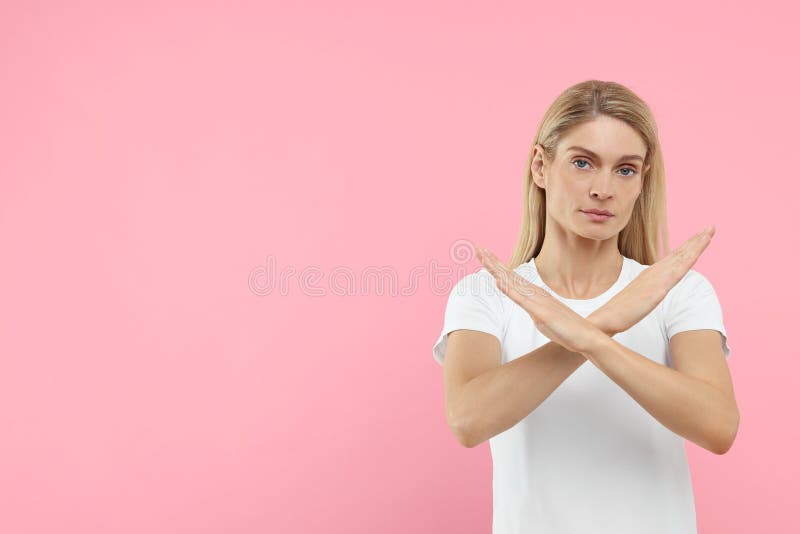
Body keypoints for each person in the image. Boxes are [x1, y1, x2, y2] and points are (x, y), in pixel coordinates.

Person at [432, 80, 738, 534]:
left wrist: (592, 335)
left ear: (642, 181)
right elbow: (468, 420)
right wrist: (604, 325)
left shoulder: (679, 292)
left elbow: (718, 428)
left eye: (626, 170)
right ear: (541, 166)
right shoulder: (485, 294)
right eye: (582, 163)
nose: (603, 189)